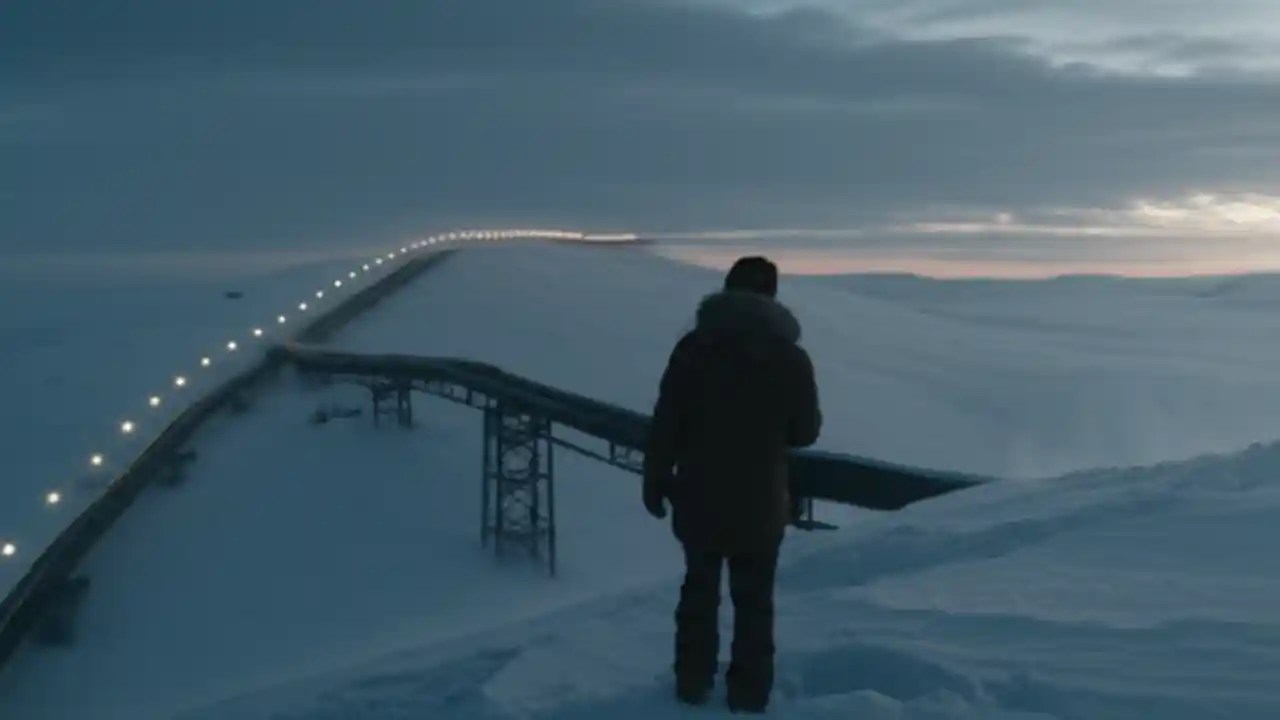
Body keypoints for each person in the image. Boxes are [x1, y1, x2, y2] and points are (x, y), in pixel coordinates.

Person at [643, 255, 822, 713]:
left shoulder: (692, 349)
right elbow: (805, 432)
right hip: (761, 501)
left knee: (698, 592)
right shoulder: (791, 358)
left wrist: (656, 478)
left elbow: (666, 423)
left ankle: (691, 683)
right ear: (772, 297)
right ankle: (749, 694)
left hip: (698, 495)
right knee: (755, 603)